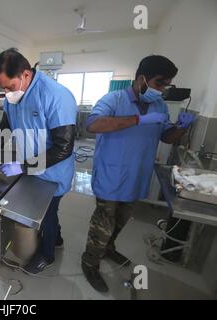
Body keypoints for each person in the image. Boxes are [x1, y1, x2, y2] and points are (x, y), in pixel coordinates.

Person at [81, 55, 196, 293]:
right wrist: (138, 119)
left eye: (167, 85)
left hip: (137, 176)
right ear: (142, 79)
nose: (162, 89)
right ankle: (90, 261)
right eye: (159, 83)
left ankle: (108, 248)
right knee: (103, 223)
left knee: (122, 220)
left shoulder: (160, 106)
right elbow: (93, 124)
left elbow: (166, 136)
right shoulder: (114, 99)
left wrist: (181, 128)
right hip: (111, 176)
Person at [0, 48, 78, 275]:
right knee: (49, 213)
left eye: (9, 86)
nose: (7, 93)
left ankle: (46, 255)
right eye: (3, 88)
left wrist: (21, 166)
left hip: (52, 174)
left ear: (26, 74)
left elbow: (63, 148)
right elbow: (5, 127)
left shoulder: (56, 96)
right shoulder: (12, 98)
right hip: (29, 169)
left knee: (47, 215)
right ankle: (56, 239)